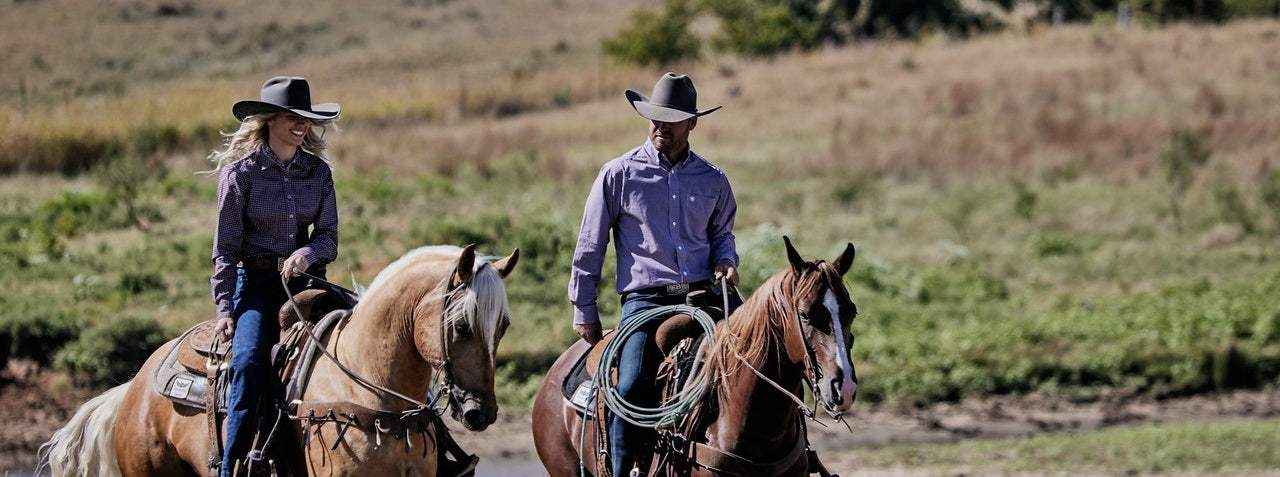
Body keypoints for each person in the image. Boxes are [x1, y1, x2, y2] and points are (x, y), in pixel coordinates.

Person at [568, 72, 742, 476]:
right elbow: (590, 245)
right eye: (654, 116)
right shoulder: (618, 174)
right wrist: (584, 308)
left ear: (692, 123)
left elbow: (722, 235)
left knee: (755, 363)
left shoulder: (713, 179)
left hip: (703, 296)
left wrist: (726, 259)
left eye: (671, 117)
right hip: (645, 302)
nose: (660, 124)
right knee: (630, 386)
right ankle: (621, 470)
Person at [208, 76, 340, 477]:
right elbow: (225, 251)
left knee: (379, 337)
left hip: (309, 285)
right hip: (260, 286)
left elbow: (329, 237)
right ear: (267, 121)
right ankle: (231, 465)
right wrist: (226, 308)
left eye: (305, 119)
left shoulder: (318, 173)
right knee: (248, 362)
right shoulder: (240, 175)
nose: (301, 126)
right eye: (290, 118)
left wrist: (307, 252)